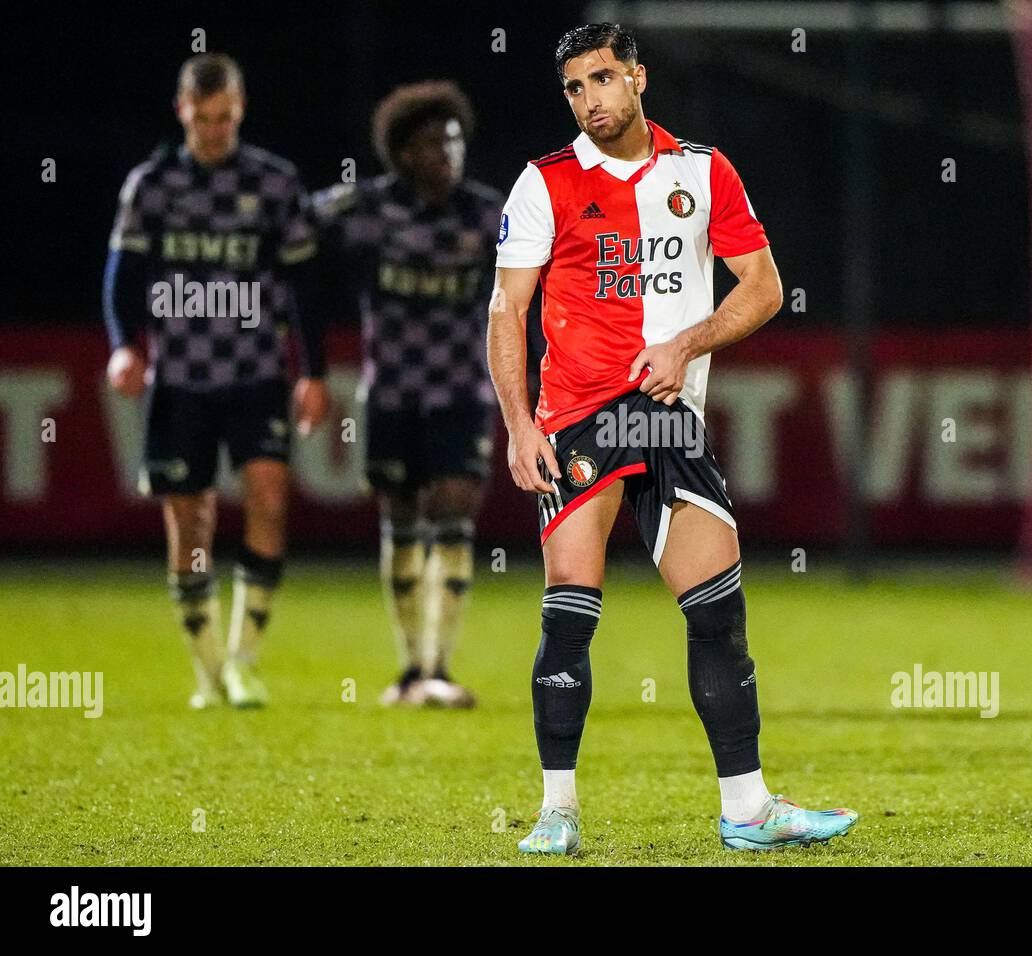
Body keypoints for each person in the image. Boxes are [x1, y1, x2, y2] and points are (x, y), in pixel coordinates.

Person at [488, 23, 858, 853]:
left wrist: (687, 342)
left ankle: (749, 811)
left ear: (638, 77)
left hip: (667, 419)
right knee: (571, 611)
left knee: (719, 614)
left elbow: (762, 289)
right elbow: (506, 311)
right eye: (575, 88)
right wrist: (518, 425)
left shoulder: (704, 171)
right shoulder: (542, 184)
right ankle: (558, 811)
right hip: (578, 417)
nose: (590, 101)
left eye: (603, 79)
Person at [103, 53, 328, 709]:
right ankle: (207, 671)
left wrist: (312, 370)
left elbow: (303, 284)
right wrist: (124, 347)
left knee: (268, 496)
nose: (214, 131)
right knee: (190, 522)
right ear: (183, 113)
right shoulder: (150, 185)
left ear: (240, 110)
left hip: (256, 374)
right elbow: (121, 277)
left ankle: (244, 661)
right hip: (179, 380)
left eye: (225, 117)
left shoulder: (274, 182)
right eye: (203, 119)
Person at [312, 82, 503, 708]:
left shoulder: (488, 214)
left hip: (463, 390)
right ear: (403, 154)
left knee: (452, 510)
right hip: (391, 393)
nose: (446, 153)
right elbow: (293, 226)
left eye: (452, 141)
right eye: (429, 144)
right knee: (398, 521)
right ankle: (408, 667)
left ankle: (439, 667)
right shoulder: (366, 208)